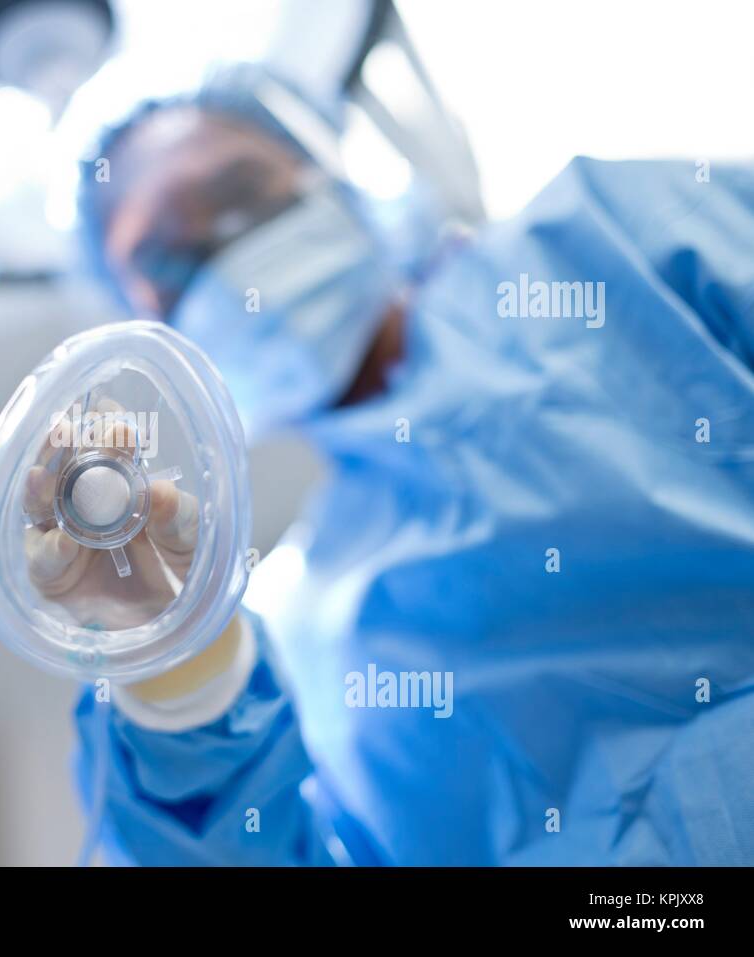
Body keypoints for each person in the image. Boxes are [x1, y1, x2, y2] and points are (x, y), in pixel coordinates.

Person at [71, 63, 754, 865]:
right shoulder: (298, 637)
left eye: (243, 196)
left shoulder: (617, 242)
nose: (229, 255)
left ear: (332, 174)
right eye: (173, 263)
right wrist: (179, 683)